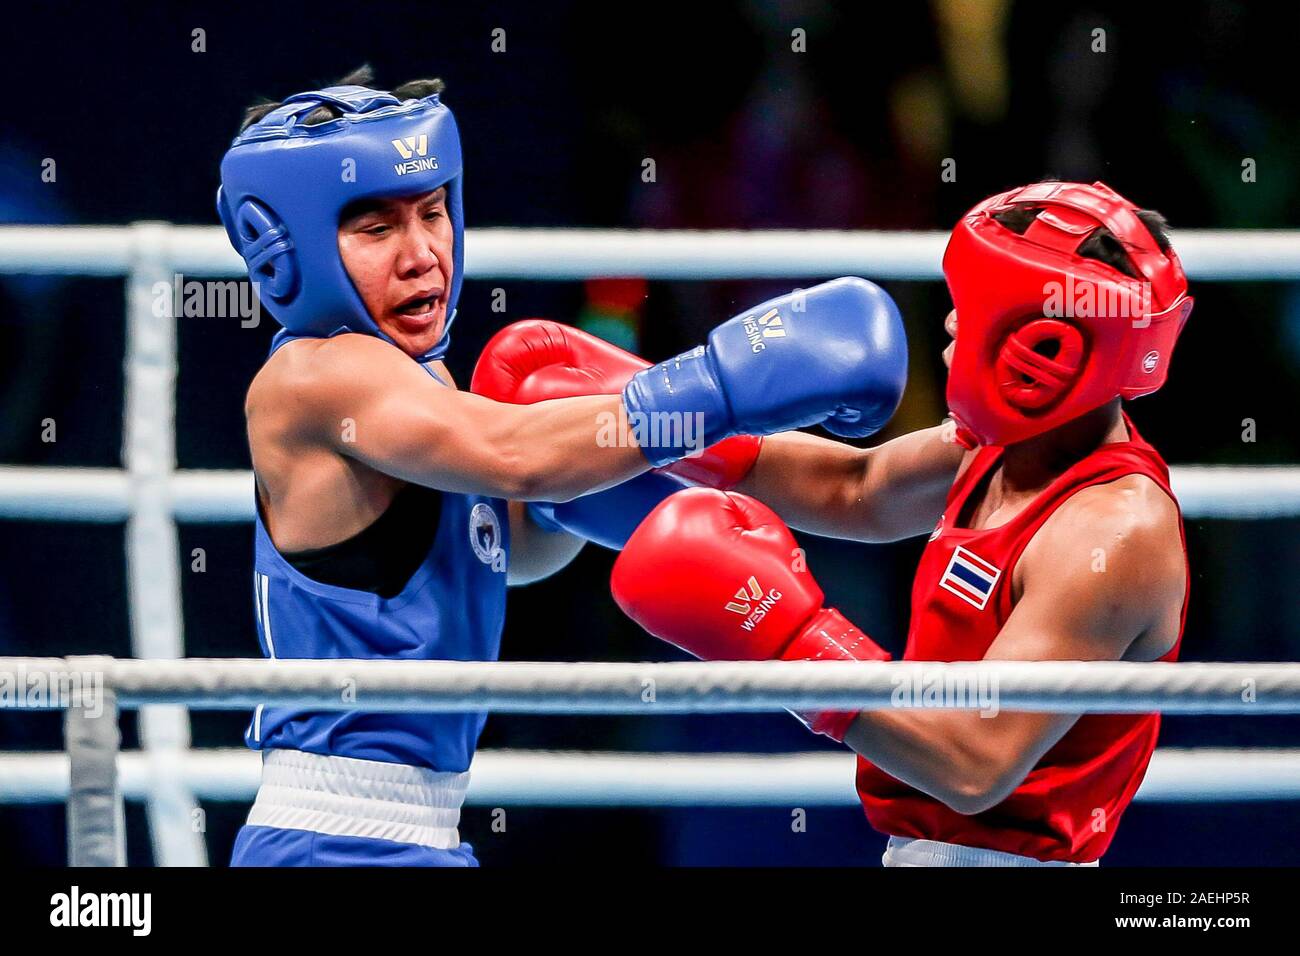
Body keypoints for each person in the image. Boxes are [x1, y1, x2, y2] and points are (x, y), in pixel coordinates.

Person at [216, 68, 909, 866]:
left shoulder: (423, 393)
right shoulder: (316, 378)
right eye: (375, 229)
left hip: (409, 836)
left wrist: (573, 498)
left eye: (434, 213)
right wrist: (724, 382)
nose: (422, 255)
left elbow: (513, 551)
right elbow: (519, 456)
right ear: (283, 246)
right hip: (336, 841)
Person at [610, 181, 1194, 866]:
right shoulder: (1000, 446)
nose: (948, 324)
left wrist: (794, 644)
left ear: (1042, 349)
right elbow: (855, 488)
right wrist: (648, 419)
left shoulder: (1111, 531)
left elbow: (974, 761)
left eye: (974, 307)